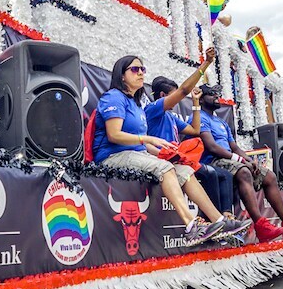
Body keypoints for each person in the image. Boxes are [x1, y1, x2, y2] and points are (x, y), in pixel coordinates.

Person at [92, 55, 235, 245]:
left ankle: (219, 221)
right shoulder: (114, 97)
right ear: (122, 75)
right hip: (112, 155)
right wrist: (149, 139)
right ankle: (191, 227)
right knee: (165, 168)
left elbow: (143, 145)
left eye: (143, 69)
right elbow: (114, 135)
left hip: (136, 154)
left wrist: (162, 150)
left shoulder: (136, 106)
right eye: (135, 69)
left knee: (185, 171)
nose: (141, 73)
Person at [199, 85, 283, 242]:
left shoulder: (221, 122)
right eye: (211, 94)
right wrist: (240, 161)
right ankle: (261, 226)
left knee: (269, 176)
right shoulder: (200, 117)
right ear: (200, 99)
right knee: (244, 172)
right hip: (213, 161)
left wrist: (249, 160)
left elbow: (234, 147)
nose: (216, 96)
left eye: (217, 94)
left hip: (231, 160)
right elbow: (212, 147)